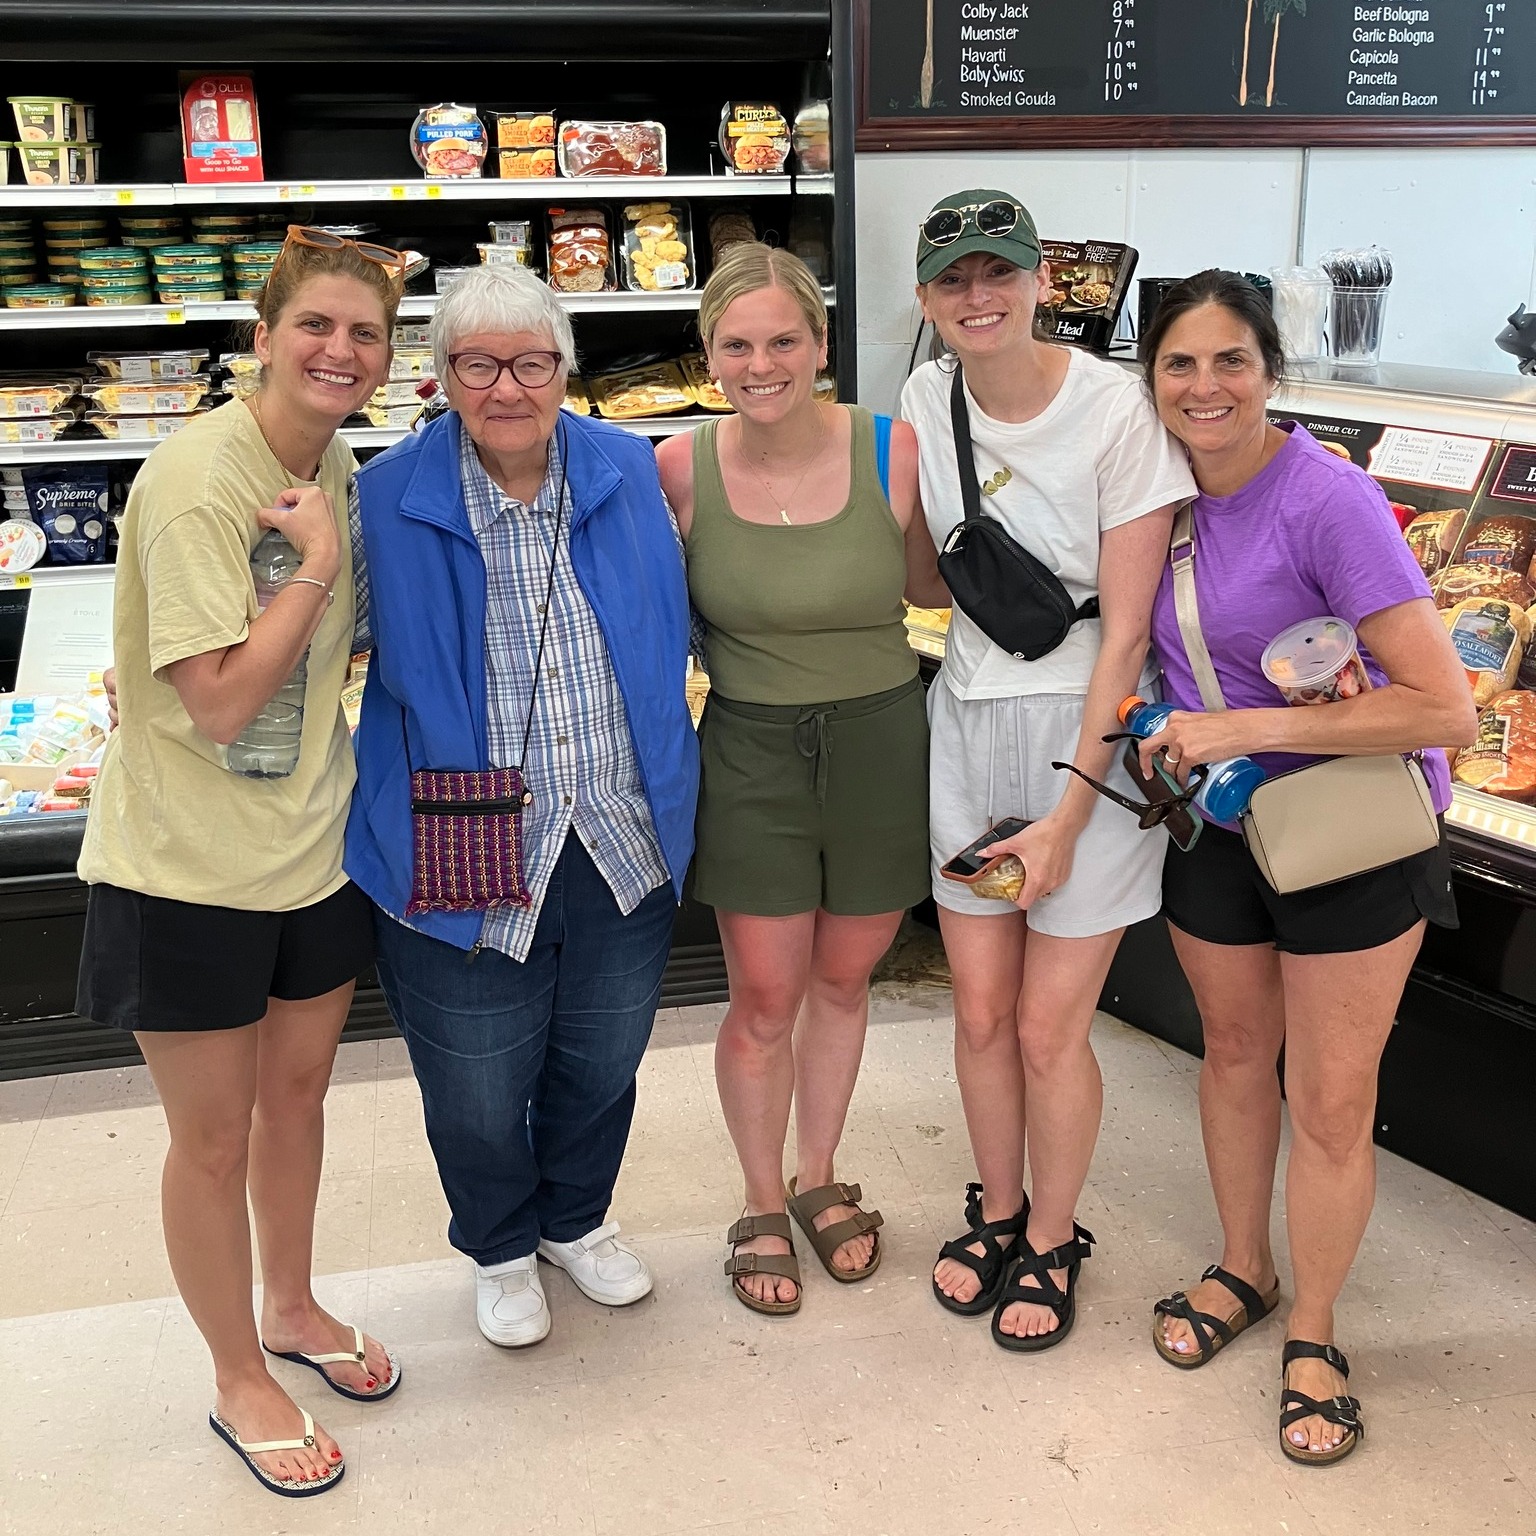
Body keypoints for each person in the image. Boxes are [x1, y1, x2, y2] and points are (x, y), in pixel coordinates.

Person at [75, 229, 403, 1498]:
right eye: (315, 326)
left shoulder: (340, 461)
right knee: (209, 1140)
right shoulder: (198, 479)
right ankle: (233, 1373)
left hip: (311, 852)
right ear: (261, 338)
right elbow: (214, 702)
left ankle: (291, 1307)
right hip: (184, 872)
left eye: (364, 335)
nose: (340, 350)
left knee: (300, 1100)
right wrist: (316, 571)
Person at [1137, 270, 1475, 1464]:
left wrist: (1243, 730)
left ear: (1270, 372)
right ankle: (1246, 1267)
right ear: (1153, 381)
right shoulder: (1157, 497)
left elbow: (1446, 711)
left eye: (1231, 360)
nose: (1205, 385)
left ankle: (1317, 1334)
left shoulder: (1327, 501)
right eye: (1180, 363)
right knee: (1234, 1059)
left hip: (1348, 840)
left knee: (1328, 1103)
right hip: (1219, 837)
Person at [345, 263, 698, 1349]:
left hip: (619, 822)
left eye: (531, 361)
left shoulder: (630, 470)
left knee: (603, 1056)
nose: (507, 386)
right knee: (477, 1080)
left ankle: (576, 1220)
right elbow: (316, 637)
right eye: (477, 362)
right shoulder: (384, 497)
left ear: (565, 368)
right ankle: (501, 1242)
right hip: (458, 821)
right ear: (441, 375)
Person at [904, 190, 1197, 1350]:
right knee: (978, 1013)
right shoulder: (926, 400)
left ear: (1039, 285)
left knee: (1046, 1028)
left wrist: (1074, 813)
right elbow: (931, 585)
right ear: (927, 299)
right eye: (953, 280)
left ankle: (1057, 1233)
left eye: (999, 274)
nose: (978, 298)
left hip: (1088, 746)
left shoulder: (1120, 409)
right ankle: (1001, 1207)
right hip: (968, 728)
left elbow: (1126, 637)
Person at [656, 243, 940, 1316]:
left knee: (842, 981)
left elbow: (938, 582)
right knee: (764, 995)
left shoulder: (893, 450)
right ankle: (762, 1195)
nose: (761, 363)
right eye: (738, 344)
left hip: (880, 743)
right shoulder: (678, 470)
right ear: (710, 355)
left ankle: (821, 1171)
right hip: (750, 751)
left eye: (784, 340)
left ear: (821, 346)